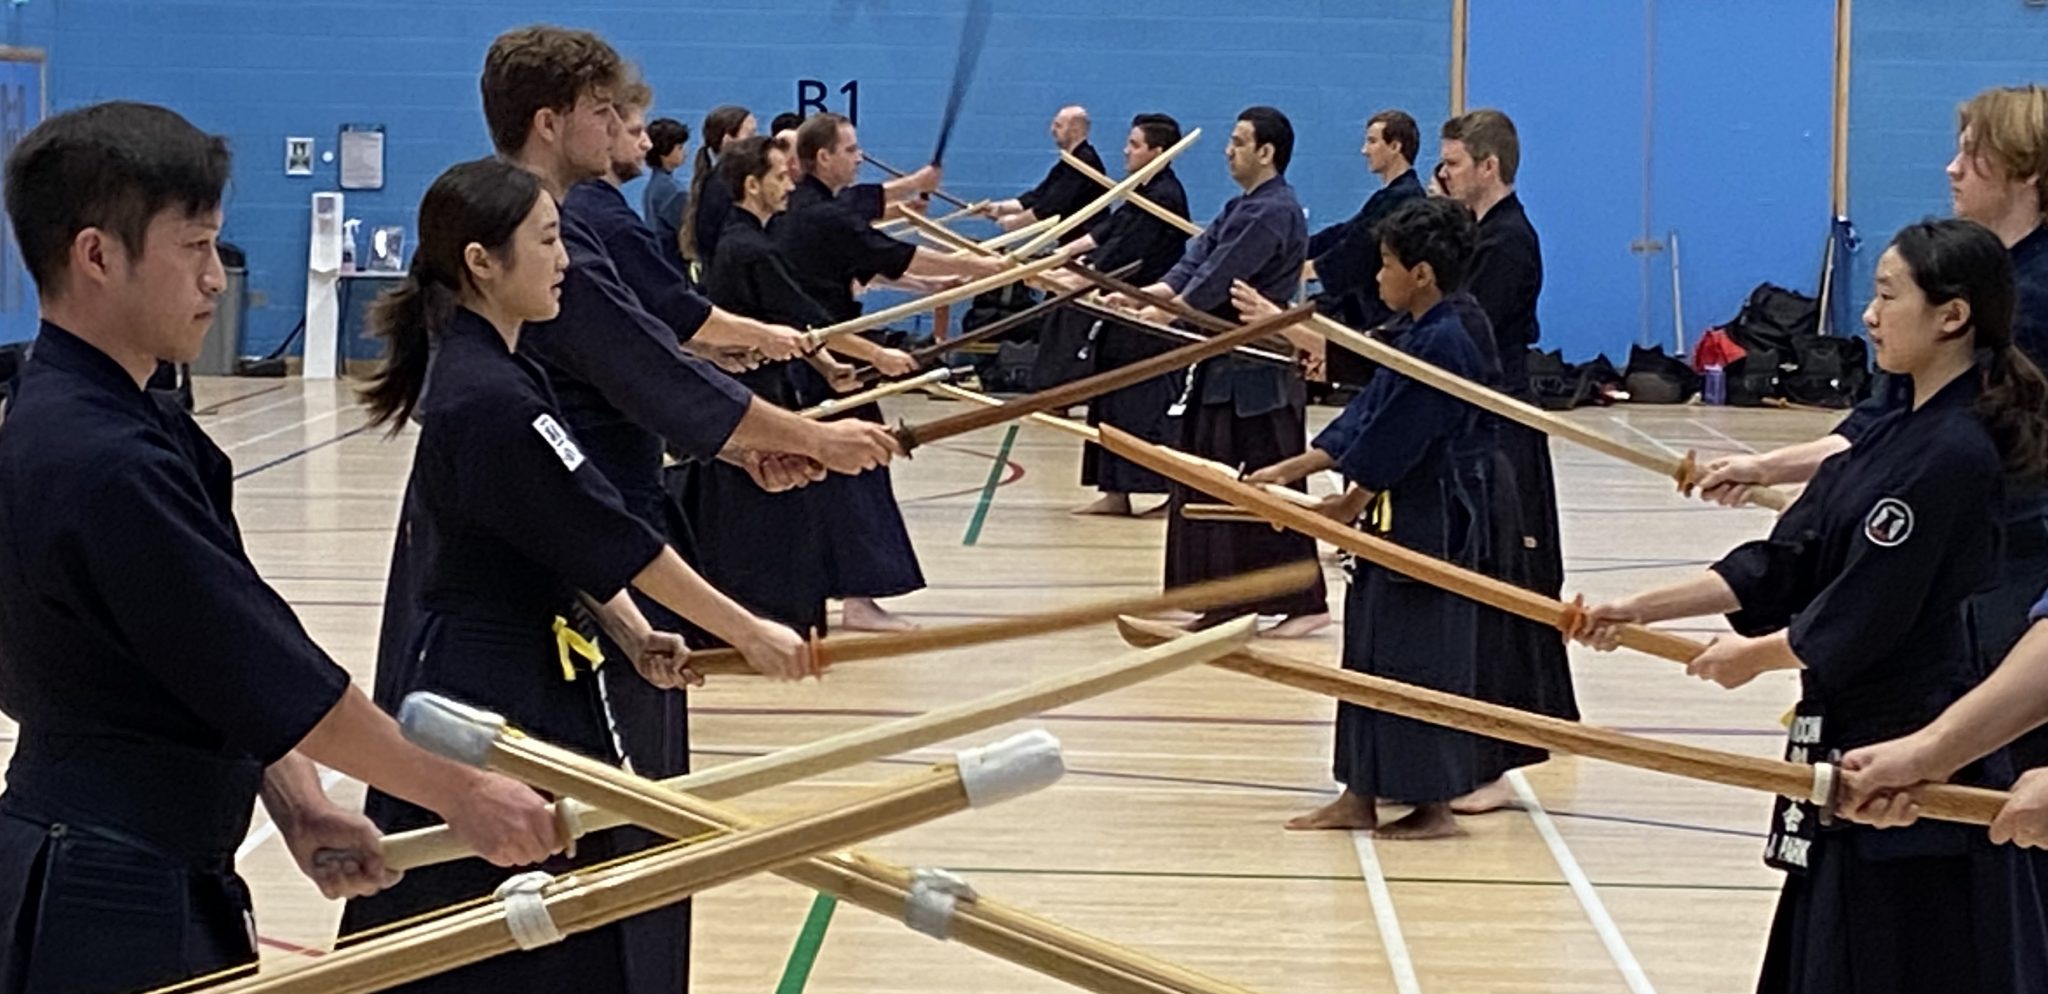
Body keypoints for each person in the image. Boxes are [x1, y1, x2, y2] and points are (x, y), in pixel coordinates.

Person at [0, 101, 561, 994]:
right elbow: (259, 662)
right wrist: (454, 793)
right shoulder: (93, 457)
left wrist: (300, 803)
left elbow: (218, 664)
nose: (217, 279)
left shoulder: (140, 420)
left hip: (161, 858)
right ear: (97, 255)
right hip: (104, 878)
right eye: (193, 249)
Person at [348, 157, 815, 994]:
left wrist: (635, 634)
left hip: (525, 676)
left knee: (557, 914)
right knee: (493, 925)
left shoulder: (507, 370)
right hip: (486, 695)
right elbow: (611, 535)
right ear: (483, 262)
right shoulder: (487, 395)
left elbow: (557, 533)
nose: (565, 260)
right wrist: (749, 631)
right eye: (549, 240)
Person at [1572, 218, 2048, 994]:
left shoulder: (1955, 454)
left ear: (1952, 316)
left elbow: (1868, 609)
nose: (1868, 314)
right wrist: (1638, 609)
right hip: (1849, 728)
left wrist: (1752, 656)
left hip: (1915, 738)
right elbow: (1785, 560)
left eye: (1888, 296)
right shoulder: (1889, 427)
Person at [1697, 84, 2048, 759]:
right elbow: (1880, 421)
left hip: (2010, 549)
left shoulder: (2027, 298)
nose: (1952, 168)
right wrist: (1770, 465)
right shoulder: (1971, 274)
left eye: (1973, 156)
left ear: (2026, 171)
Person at [1246, 198, 1493, 838]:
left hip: (1432, 520)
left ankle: (1434, 805)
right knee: (1369, 649)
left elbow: (1402, 436)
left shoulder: (1448, 338)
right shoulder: (1416, 331)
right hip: (1393, 513)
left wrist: (1343, 506)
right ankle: (1360, 792)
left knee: (1419, 658)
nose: (1377, 278)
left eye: (1385, 266)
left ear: (1422, 274)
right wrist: (1289, 470)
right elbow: (1367, 418)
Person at [777, 111, 1005, 631]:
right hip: (826, 360)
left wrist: (917, 195)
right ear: (823, 158)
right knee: (859, 468)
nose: (859, 157)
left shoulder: (819, 208)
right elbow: (897, 254)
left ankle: (848, 595)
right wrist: (984, 268)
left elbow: (870, 239)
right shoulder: (820, 216)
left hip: (826, 354)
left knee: (842, 474)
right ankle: (857, 599)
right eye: (851, 150)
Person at [1116, 105, 1330, 638]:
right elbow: (1195, 261)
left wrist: (1168, 310)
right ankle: (1203, 594)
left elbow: (1220, 277)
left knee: (1260, 488)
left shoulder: (1274, 212)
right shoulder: (1241, 205)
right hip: (1222, 366)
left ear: (1267, 152)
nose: (1227, 150)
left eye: (1238, 141)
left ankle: (1294, 602)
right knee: (1204, 479)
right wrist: (1148, 299)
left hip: (1256, 375)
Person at [1434, 108, 1578, 811]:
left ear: (1489, 166)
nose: (1445, 177)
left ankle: (1506, 757)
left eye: (1454, 165)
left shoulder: (1509, 242)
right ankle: (1481, 744)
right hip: (1482, 428)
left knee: (1512, 589)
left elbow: (1467, 331)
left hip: (1505, 431)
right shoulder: (1481, 234)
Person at [688, 135, 858, 636]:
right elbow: (805, 320)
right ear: (752, 185)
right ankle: (769, 621)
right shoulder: (748, 248)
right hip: (753, 400)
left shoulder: (748, 242)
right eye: (780, 177)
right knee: (765, 517)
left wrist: (827, 367)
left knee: (767, 514)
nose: (789, 184)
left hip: (759, 390)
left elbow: (795, 326)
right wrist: (871, 355)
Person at [1039, 112, 1193, 516]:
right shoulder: (1141, 191)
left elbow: (1128, 253)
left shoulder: (1165, 197)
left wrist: (1079, 279)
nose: (1126, 150)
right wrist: (1061, 259)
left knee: (1144, 404)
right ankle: (1115, 492)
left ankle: (1166, 492)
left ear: (1158, 152)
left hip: (1151, 316)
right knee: (1110, 397)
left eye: (1135, 144)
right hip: (1123, 312)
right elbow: (1107, 233)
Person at [1309, 109, 1426, 387]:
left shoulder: (1404, 199)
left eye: (1372, 141)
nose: (1364, 150)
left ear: (1396, 146)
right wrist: (1298, 247)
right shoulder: (1388, 197)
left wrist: (1305, 267)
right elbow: (1345, 232)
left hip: (1384, 313)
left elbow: (1355, 250)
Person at [985, 105, 1108, 244]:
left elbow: (1051, 207)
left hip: (1083, 244)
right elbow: (1038, 196)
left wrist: (1015, 222)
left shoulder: (1084, 164)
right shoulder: (1068, 162)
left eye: (1058, 126)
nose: (1052, 130)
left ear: (1075, 130)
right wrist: (998, 208)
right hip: (1068, 241)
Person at [680, 105, 756, 271]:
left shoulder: (717, 180)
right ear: (728, 140)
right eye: (750, 135)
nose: (755, 142)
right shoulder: (722, 185)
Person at [641, 115, 690, 264]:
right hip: (674, 263)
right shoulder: (674, 192)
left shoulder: (653, 187)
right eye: (679, 147)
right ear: (664, 152)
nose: (685, 151)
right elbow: (689, 231)